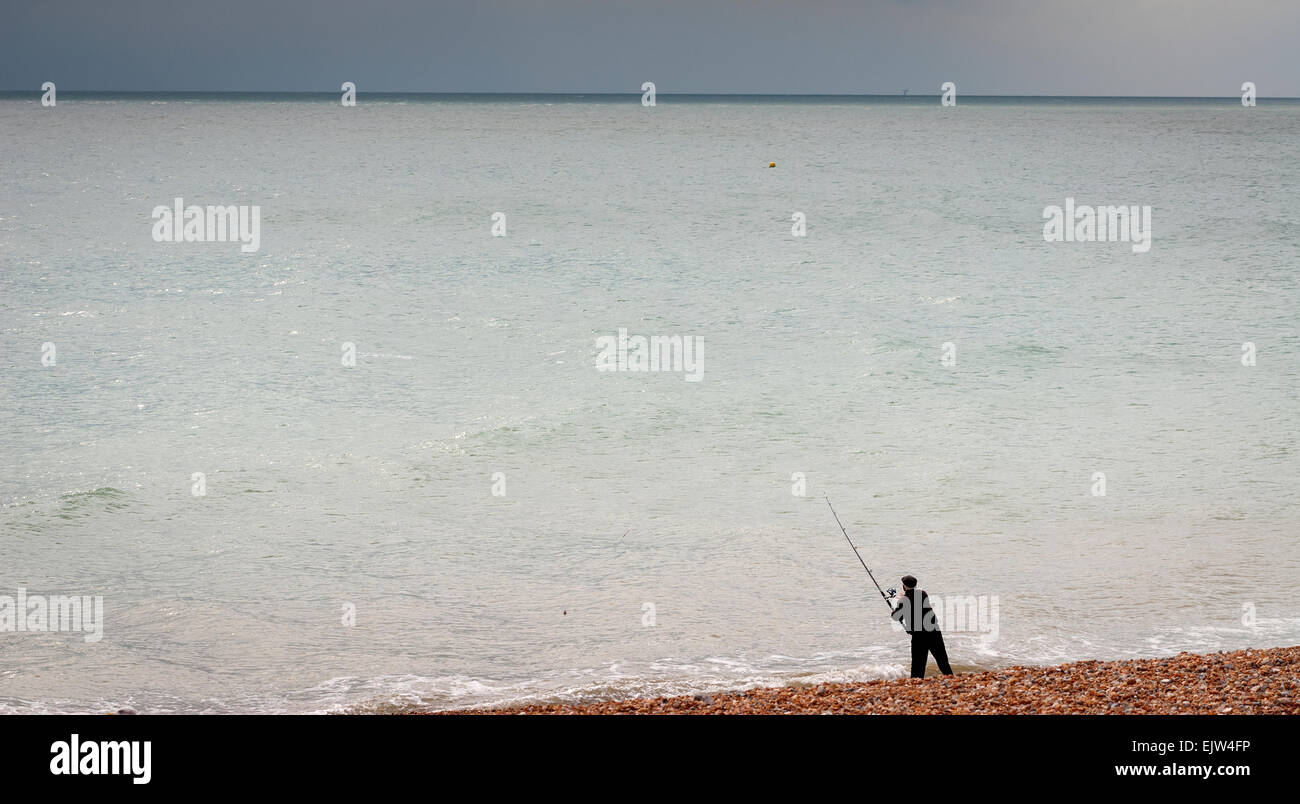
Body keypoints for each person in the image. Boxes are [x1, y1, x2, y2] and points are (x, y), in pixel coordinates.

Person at [889, 574, 954, 678]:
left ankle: (916, 683)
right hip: (934, 631)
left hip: (919, 635)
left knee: (918, 663)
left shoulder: (904, 600)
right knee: (942, 659)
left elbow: (896, 617)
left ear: (904, 586)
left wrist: (895, 607)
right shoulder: (923, 593)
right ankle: (950, 678)